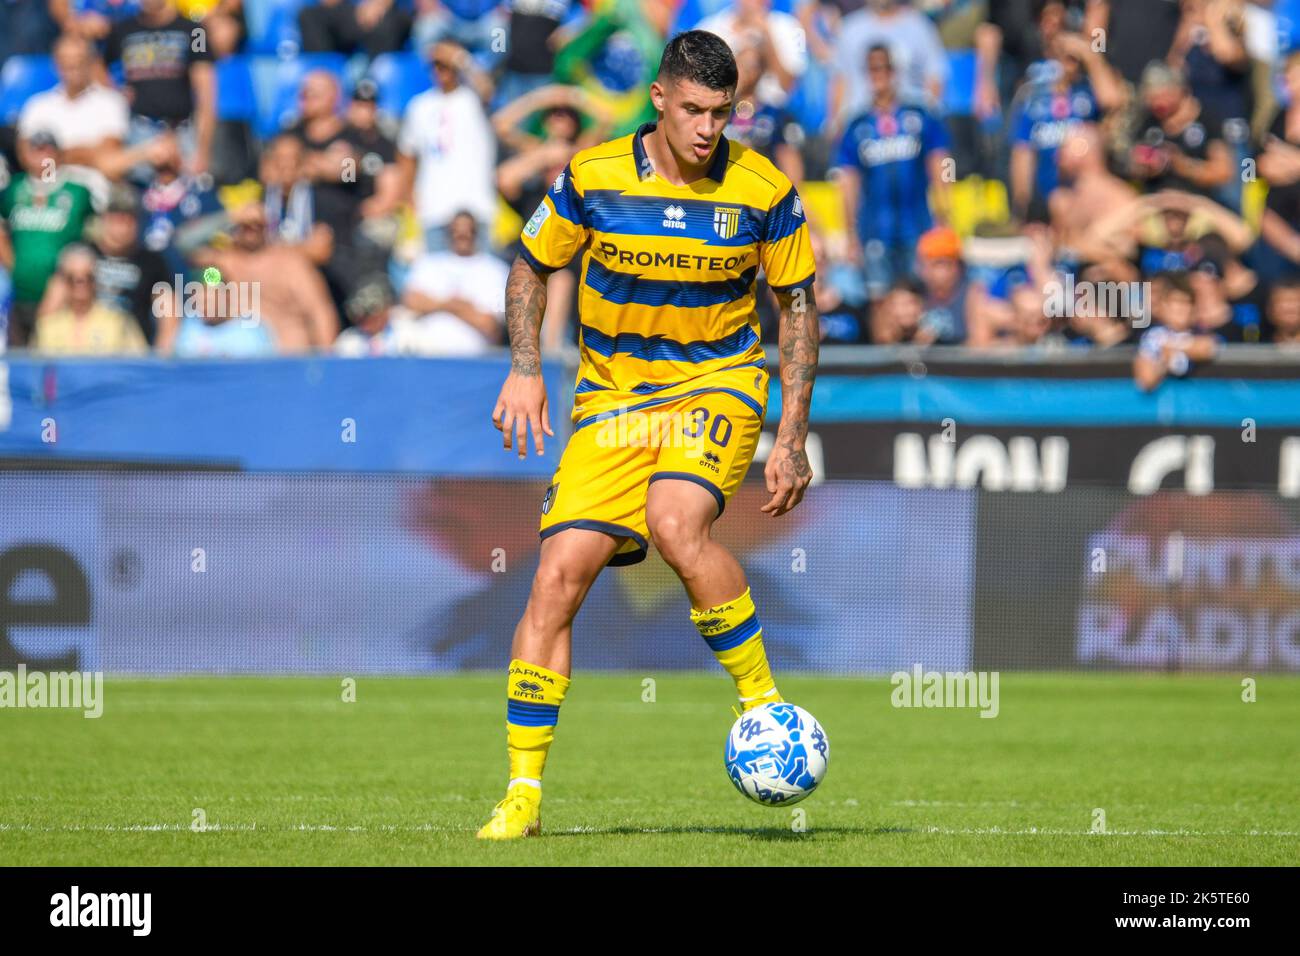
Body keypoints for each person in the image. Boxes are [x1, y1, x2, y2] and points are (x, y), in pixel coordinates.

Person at [477, 30, 818, 840]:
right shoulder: (592, 176)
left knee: (674, 523)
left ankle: (764, 705)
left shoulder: (764, 190)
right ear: (659, 98)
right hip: (612, 404)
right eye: (694, 109)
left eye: (722, 113)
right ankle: (522, 795)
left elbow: (797, 309)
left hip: (719, 384)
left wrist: (792, 434)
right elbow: (531, 264)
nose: (707, 128)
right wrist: (526, 365)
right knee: (556, 578)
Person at [831, 44, 951, 300]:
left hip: (918, 226)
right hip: (874, 230)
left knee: (919, 298)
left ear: (894, 71)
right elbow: (847, 182)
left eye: (884, 67)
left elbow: (943, 164)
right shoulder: (857, 124)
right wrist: (850, 233)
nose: (879, 74)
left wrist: (945, 214)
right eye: (873, 69)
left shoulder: (920, 115)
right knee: (880, 303)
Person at [397, 41, 498, 251]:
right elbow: (407, 154)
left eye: (445, 65)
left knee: (482, 276)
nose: (440, 71)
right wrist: (408, 198)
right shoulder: (418, 106)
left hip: (477, 205)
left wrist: (462, 59)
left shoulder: (473, 99)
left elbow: (487, 89)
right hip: (433, 208)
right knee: (436, 277)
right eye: (435, 65)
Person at [0, 132, 98, 347]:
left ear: (59, 154)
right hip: (20, 292)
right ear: (25, 156)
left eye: (48, 149)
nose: (42, 157)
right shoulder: (14, 190)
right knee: (19, 359)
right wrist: (11, 266)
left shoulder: (77, 192)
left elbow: (94, 235)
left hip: (62, 293)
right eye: (37, 150)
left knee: (50, 353)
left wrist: (65, 278)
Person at [401, 211, 508, 354]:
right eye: (456, 231)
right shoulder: (427, 263)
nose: (462, 236)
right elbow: (411, 301)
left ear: (476, 233)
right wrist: (454, 305)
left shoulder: (497, 270)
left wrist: (438, 304)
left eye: (468, 231)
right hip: (426, 356)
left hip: (474, 358)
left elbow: (491, 325)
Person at [30, 244, 147, 355]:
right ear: (63, 281)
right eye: (72, 278)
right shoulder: (47, 326)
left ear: (96, 280)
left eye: (88, 277)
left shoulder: (118, 321)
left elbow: (138, 366)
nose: (80, 284)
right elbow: (34, 370)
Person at [1133, 271, 1220, 390]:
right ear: (1164, 305)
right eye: (1176, 302)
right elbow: (1146, 379)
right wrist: (1164, 362)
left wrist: (1174, 347)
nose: (1182, 309)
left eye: (1187, 302)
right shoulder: (1153, 336)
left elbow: (1207, 347)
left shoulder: (1200, 331)